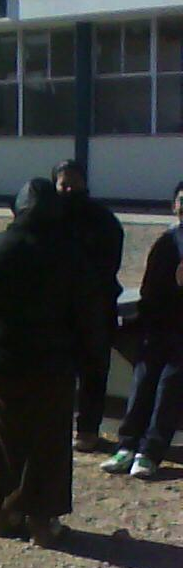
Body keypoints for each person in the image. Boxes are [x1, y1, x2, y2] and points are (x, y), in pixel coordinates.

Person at [0, 179, 104, 546]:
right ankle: (42, 521)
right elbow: (88, 313)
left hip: (0, 355)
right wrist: (89, 357)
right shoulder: (71, 254)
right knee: (47, 442)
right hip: (52, 359)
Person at [100, 181, 183, 480]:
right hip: (157, 329)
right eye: (181, 201)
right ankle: (126, 446)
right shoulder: (165, 243)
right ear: (174, 206)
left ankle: (151, 452)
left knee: (168, 390)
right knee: (142, 384)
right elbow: (150, 288)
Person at [53, 160, 125, 452]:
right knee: (56, 372)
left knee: (94, 372)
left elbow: (109, 263)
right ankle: (55, 426)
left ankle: (88, 429)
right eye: (63, 183)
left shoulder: (103, 220)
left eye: (74, 182)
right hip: (58, 310)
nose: (69, 188)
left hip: (96, 306)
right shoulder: (49, 219)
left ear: (85, 182)